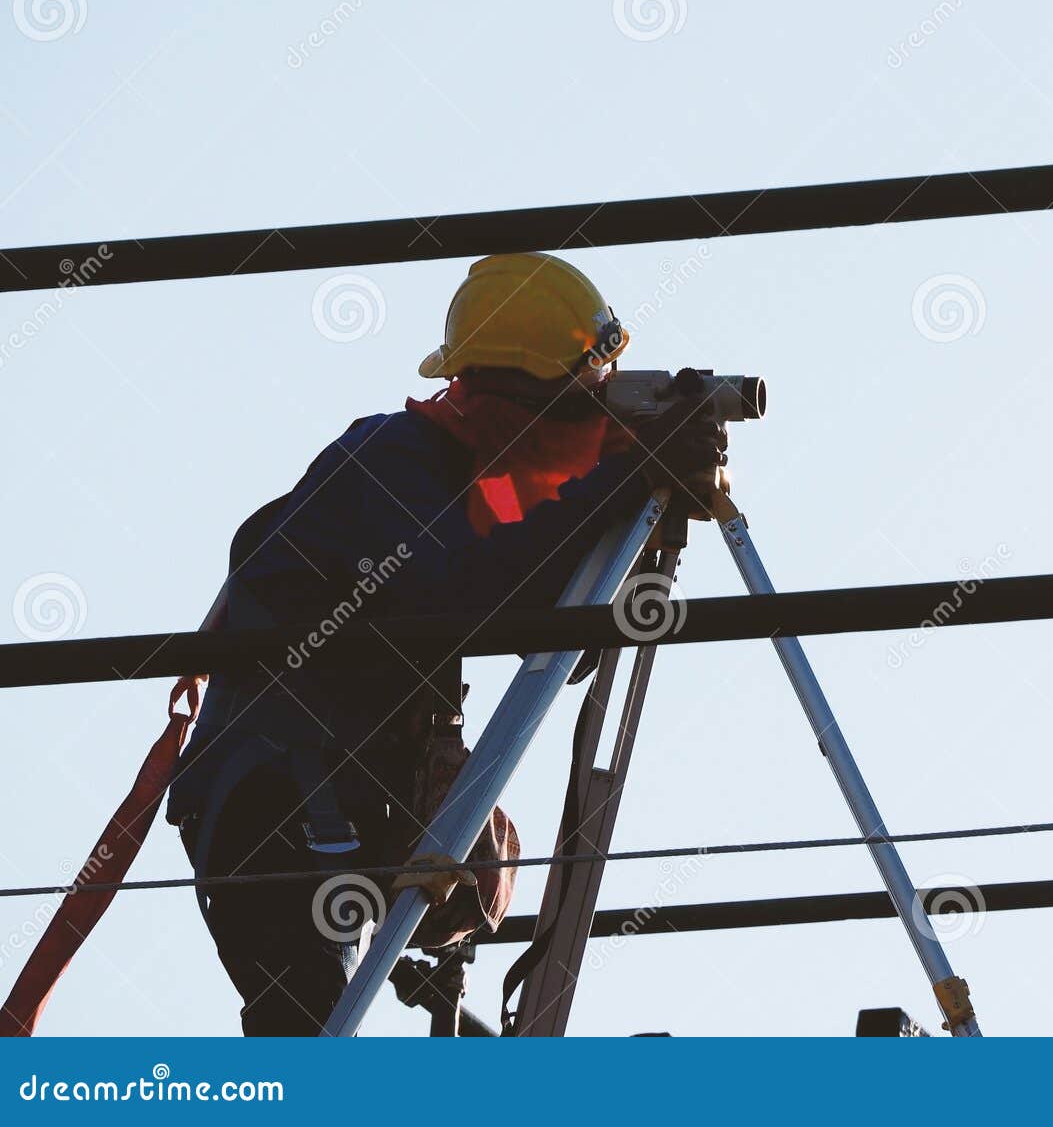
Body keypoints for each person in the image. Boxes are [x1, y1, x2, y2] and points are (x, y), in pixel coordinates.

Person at [165, 252, 726, 1035]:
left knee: (333, 1027)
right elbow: (462, 593)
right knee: (308, 1038)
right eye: (579, 406)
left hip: (344, 807)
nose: (593, 425)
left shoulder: (470, 473)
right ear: (516, 401)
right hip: (280, 812)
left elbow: (552, 632)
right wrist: (627, 479)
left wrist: (636, 525)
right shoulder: (391, 459)